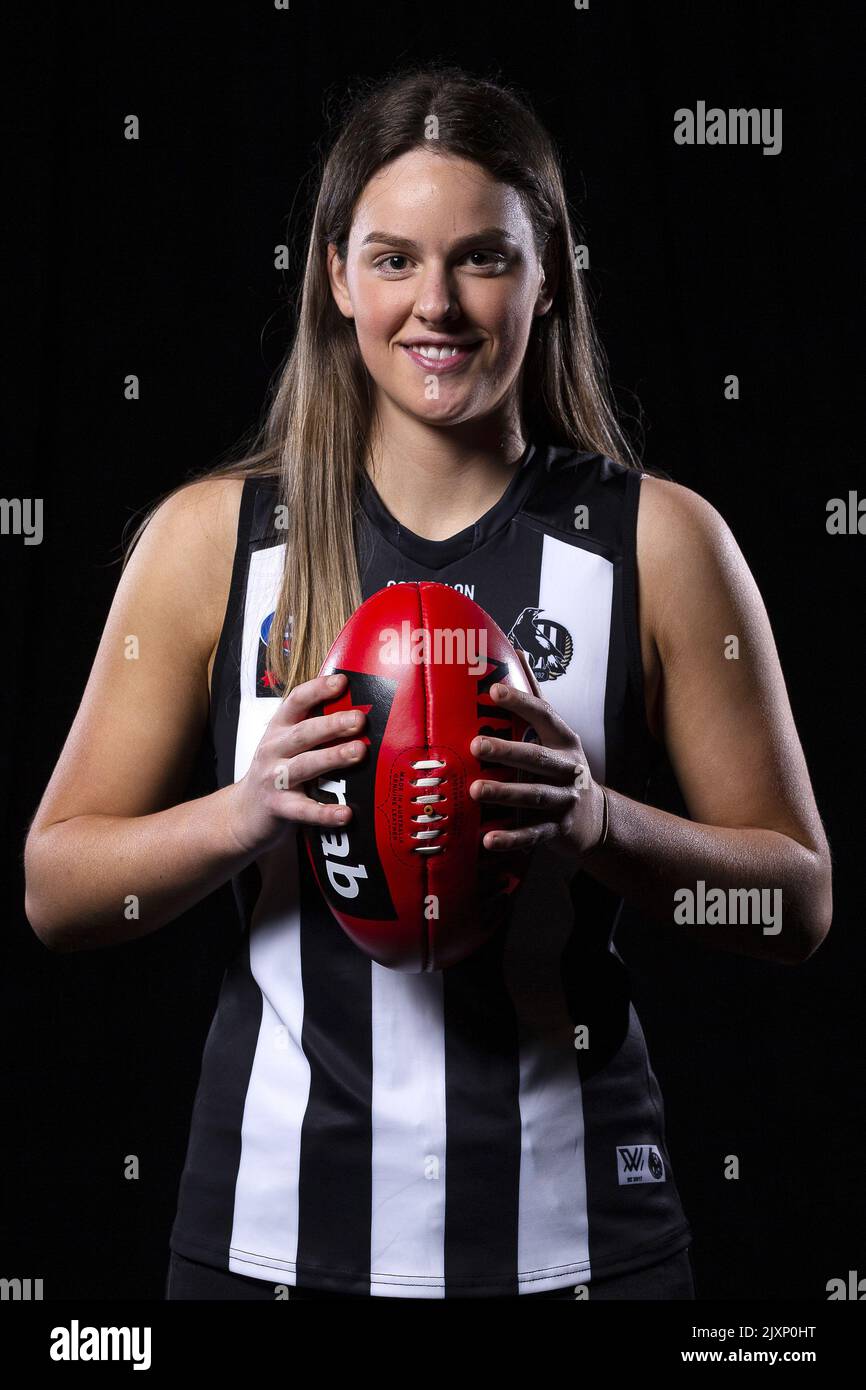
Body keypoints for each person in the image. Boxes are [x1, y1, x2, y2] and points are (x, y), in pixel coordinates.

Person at [23, 65, 832, 1302]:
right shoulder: (213, 540)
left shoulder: (658, 543)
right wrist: (245, 812)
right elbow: (57, 890)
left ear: (548, 271)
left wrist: (600, 822)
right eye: (393, 259)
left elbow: (795, 905)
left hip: (580, 1247)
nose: (437, 305)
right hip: (268, 1246)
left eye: (483, 259)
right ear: (336, 277)